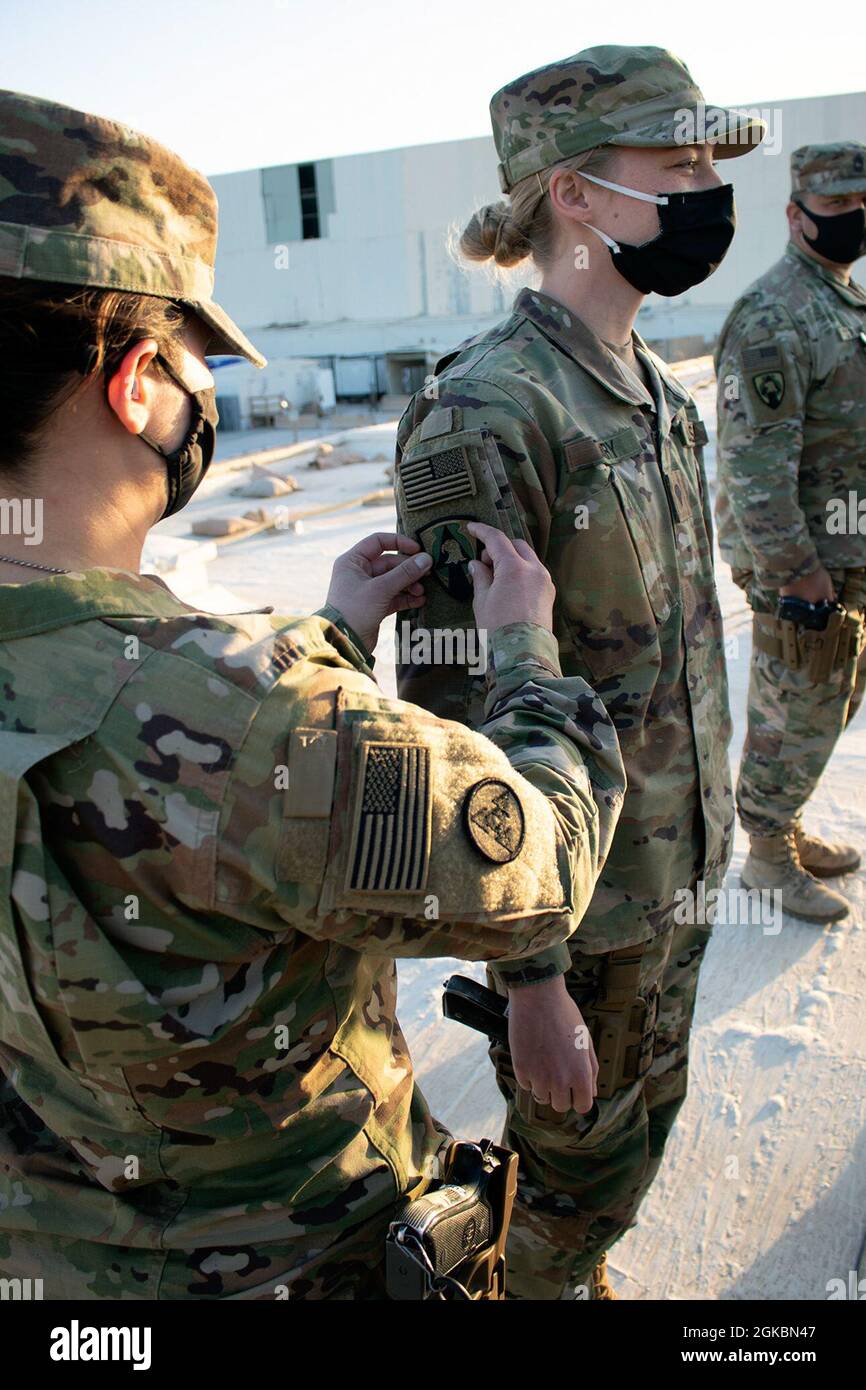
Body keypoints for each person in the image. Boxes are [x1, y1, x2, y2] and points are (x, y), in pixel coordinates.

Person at [0, 89, 627, 1299]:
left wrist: (328, 638)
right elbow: (535, 858)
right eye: (193, 366)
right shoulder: (251, 715)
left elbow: (213, 766)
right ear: (136, 387)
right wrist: (524, 654)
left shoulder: (245, 706)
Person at [394, 44, 764, 1300]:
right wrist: (531, 978)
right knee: (571, 1170)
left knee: (634, 1142)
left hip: (679, 864)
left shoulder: (656, 390)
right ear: (574, 196)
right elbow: (453, 719)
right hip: (580, 911)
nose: (708, 194)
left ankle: (567, 1262)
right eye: (678, 168)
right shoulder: (488, 411)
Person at [715, 143, 866, 924]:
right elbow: (753, 465)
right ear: (796, 215)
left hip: (848, 559)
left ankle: (788, 827)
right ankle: (767, 858)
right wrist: (795, 569)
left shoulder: (841, 299)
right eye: (837, 208)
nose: (853, 219)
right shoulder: (776, 314)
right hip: (806, 567)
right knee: (790, 709)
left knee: (825, 706)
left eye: (861, 205)